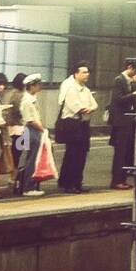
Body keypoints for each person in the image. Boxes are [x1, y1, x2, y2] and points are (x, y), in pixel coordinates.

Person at [57, 63, 97, 192]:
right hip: (72, 124)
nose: (87, 74)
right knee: (73, 155)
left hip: (83, 124)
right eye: (84, 72)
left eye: (88, 72)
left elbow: (94, 104)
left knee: (82, 154)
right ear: (76, 73)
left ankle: (76, 182)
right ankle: (69, 184)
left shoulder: (84, 88)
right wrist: (88, 108)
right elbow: (78, 108)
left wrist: (89, 108)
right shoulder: (70, 87)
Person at [14, 74, 47, 196]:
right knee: (32, 159)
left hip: (31, 130)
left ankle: (31, 185)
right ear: (31, 86)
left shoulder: (32, 98)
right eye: (38, 84)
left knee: (32, 158)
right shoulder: (27, 101)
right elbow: (31, 120)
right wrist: (42, 130)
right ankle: (28, 187)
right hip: (31, 130)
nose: (40, 87)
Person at [109, 60, 136, 190]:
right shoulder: (119, 80)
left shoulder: (130, 81)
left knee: (126, 151)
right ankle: (116, 181)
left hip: (128, 120)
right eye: (135, 70)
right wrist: (134, 94)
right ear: (130, 67)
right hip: (121, 121)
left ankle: (122, 179)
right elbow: (118, 99)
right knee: (120, 152)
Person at [0, 73, 27, 193]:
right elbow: (21, 112)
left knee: (16, 155)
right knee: (19, 155)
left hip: (14, 129)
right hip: (19, 129)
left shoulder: (13, 94)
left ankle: (14, 178)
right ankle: (15, 179)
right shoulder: (19, 96)